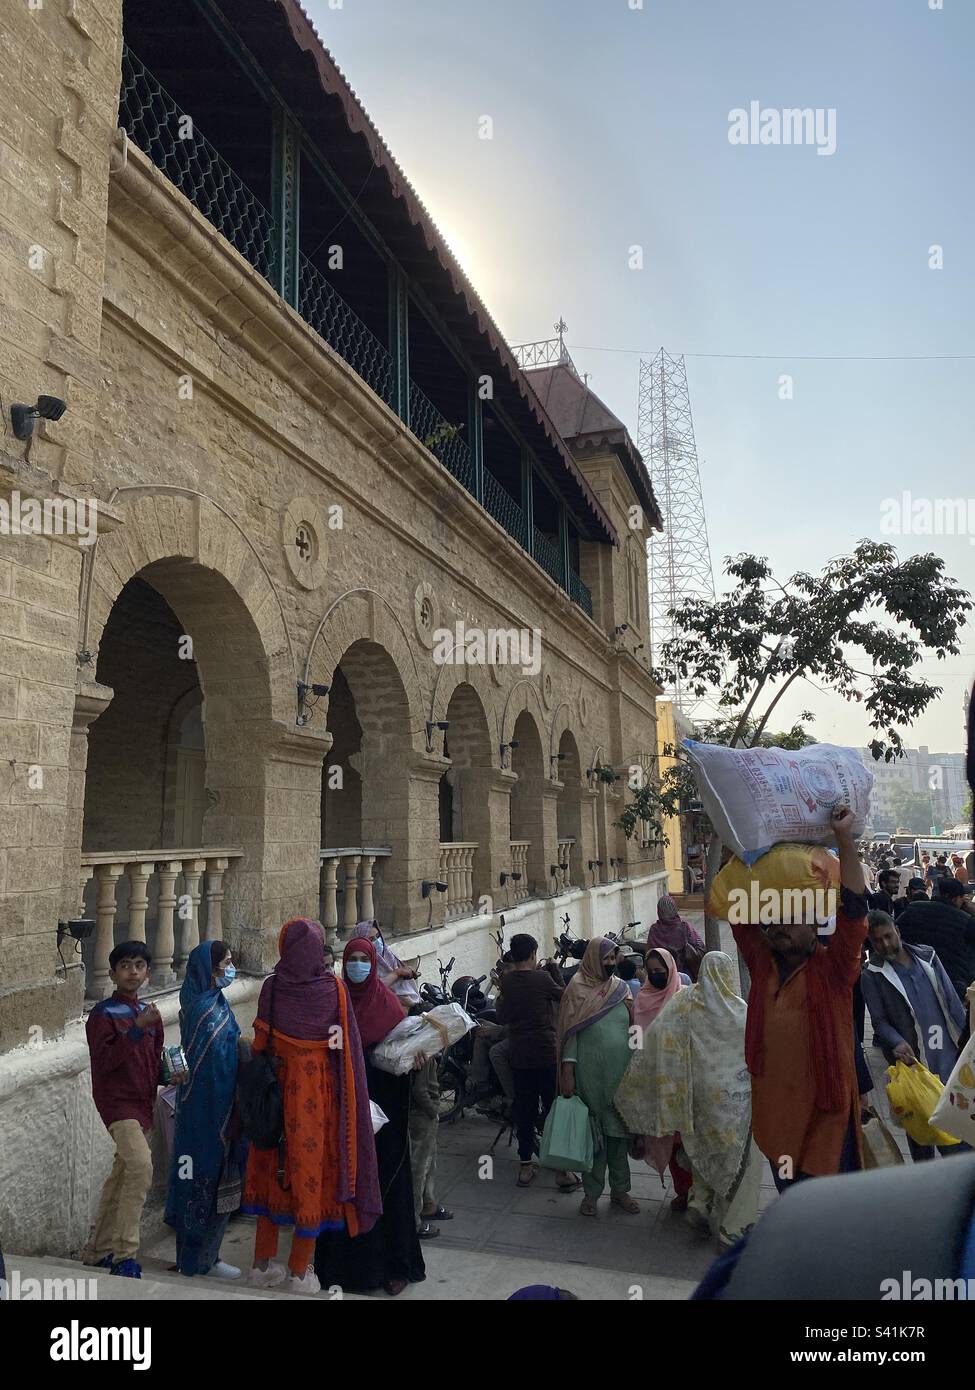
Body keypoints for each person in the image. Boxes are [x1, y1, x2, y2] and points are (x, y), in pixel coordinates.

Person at [730, 806, 868, 1190]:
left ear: (815, 929)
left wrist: (843, 836)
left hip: (826, 1120)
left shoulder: (834, 970)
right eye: (774, 919)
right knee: (790, 1203)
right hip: (777, 1119)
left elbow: (855, 912)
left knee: (827, 1214)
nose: (779, 925)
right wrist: (737, 837)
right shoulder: (763, 965)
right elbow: (739, 910)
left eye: (792, 919)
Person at [243, 918, 381, 1295]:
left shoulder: (271, 987)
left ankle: (260, 1265)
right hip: (315, 1098)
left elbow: (258, 1042)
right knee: (310, 1176)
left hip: (274, 1094)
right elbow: (344, 1048)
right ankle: (299, 1272)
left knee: (273, 1171)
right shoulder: (331, 989)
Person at [616, 952, 764, 1249]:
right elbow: (758, 1054)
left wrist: (662, 1087)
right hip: (735, 1105)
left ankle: (699, 1202)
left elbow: (658, 1039)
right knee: (741, 1163)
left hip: (695, 1100)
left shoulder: (683, 1004)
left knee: (702, 1150)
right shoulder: (740, 1011)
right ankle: (731, 1227)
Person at [315, 936, 425, 1296]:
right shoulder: (334, 1004)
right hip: (344, 1112)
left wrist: (415, 1060)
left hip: (385, 1114)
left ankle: (395, 1266)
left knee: (387, 1183)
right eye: (352, 959)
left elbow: (404, 1056)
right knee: (345, 1183)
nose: (357, 965)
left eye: (365, 958)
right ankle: (342, 1268)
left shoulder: (389, 1005)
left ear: (374, 964)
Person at [81, 940, 173, 1279]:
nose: (132, 972)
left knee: (122, 1174)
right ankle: (125, 1254)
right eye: (125, 966)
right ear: (113, 972)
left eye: (139, 965)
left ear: (148, 972)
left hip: (143, 1101)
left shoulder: (149, 1013)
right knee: (140, 1167)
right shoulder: (103, 1014)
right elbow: (104, 1062)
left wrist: (170, 1073)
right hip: (117, 1102)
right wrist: (136, 1030)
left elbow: (154, 1059)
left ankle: (96, 1250)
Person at [860, 910, 968, 1162]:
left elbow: (951, 1000)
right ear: (871, 943)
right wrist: (896, 1041)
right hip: (913, 1068)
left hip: (948, 1061)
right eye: (877, 940)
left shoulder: (928, 956)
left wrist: (967, 1040)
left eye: (888, 936)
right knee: (922, 1143)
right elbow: (879, 1021)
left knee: (957, 1143)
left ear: (897, 931)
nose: (885, 944)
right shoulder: (872, 974)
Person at [165, 940, 243, 1279]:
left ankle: (209, 1256)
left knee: (218, 1184)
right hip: (203, 1114)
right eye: (225, 962)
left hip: (223, 1108)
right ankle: (193, 1260)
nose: (230, 968)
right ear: (208, 969)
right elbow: (211, 1062)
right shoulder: (199, 1009)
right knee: (196, 1182)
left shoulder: (217, 1000)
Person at [557, 937, 638, 1216]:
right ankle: (591, 1194)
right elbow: (570, 1033)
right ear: (593, 959)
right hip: (589, 1074)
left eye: (614, 959)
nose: (611, 964)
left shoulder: (621, 988)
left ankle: (621, 1191)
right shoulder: (576, 989)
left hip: (619, 1074)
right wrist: (567, 1070)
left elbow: (633, 1025)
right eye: (606, 959)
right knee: (594, 1138)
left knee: (617, 1136)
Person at [495, 933, 580, 1193]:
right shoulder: (542, 978)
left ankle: (525, 1165)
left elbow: (503, 1016)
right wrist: (554, 970)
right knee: (554, 1109)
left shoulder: (507, 982)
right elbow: (565, 997)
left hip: (520, 1055)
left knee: (525, 1110)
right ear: (533, 954)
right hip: (545, 1053)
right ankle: (561, 1170)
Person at [617, 947, 693, 1210]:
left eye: (660, 971)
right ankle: (683, 1192)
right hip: (653, 1082)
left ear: (670, 970)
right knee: (666, 1142)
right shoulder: (642, 999)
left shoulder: (683, 999)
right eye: (651, 972)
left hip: (682, 1081)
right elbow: (636, 1041)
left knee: (687, 1142)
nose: (655, 975)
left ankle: (697, 1194)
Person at [897, 876, 975, 1001]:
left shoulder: (914, 909)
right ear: (955, 898)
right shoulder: (964, 920)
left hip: (916, 977)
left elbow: (896, 933)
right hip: (953, 984)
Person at [409, 1053, 451, 1239]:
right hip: (422, 1117)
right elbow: (420, 1091)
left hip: (422, 1116)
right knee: (420, 1168)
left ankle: (428, 1204)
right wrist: (433, 1111)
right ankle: (415, 1220)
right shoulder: (425, 1056)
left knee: (428, 1163)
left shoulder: (427, 1055)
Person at [358, 920, 422, 1008]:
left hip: (412, 1005)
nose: (377, 941)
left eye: (378, 936)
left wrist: (407, 971)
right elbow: (374, 989)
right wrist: (397, 973)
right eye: (371, 939)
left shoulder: (387, 954)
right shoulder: (361, 964)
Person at [646, 895, 706, 980]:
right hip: (683, 974)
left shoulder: (654, 930)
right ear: (674, 909)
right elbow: (700, 947)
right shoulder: (684, 927)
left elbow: (649, 953)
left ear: (659, 911)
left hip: (661, 975)